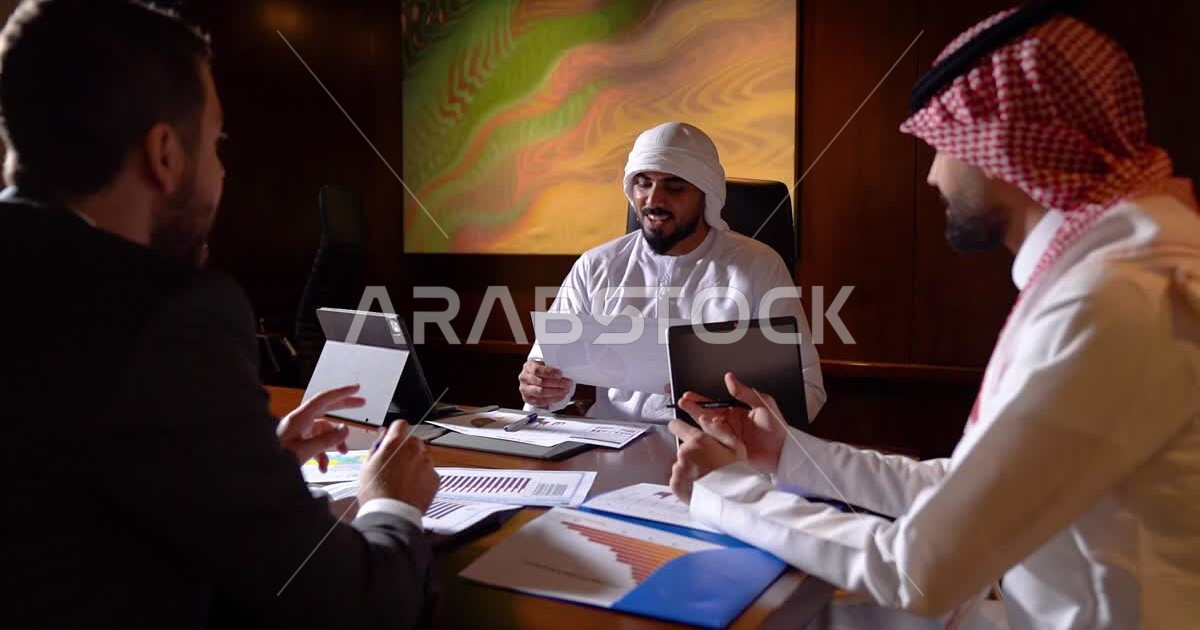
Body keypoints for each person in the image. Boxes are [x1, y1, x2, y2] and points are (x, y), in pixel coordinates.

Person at [667, 5, 1200, 629]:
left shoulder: (1117, 298)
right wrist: (790, 455)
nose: (932, 174)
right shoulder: (1115, 268)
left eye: (941, 146)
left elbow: (916, 568)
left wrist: (723, 490)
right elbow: (972, 488)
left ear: (999, 144)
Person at [2, 1, 438, 627]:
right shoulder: (168, 314)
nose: (222, 170)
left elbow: (67, 491)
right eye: (216, 143)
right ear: (165, 154)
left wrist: (247, 462)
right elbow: (355, 607)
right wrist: (393, 506)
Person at [518, 121, 826, 423]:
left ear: (705, 194)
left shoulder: (757, 266)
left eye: (674, 187)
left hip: (723, 449)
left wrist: (734, 418)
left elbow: (807, 390)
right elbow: (546, 378)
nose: (654, 200)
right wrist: (543, 388)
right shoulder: (595, 266)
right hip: (614, 446)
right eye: (643, 183)